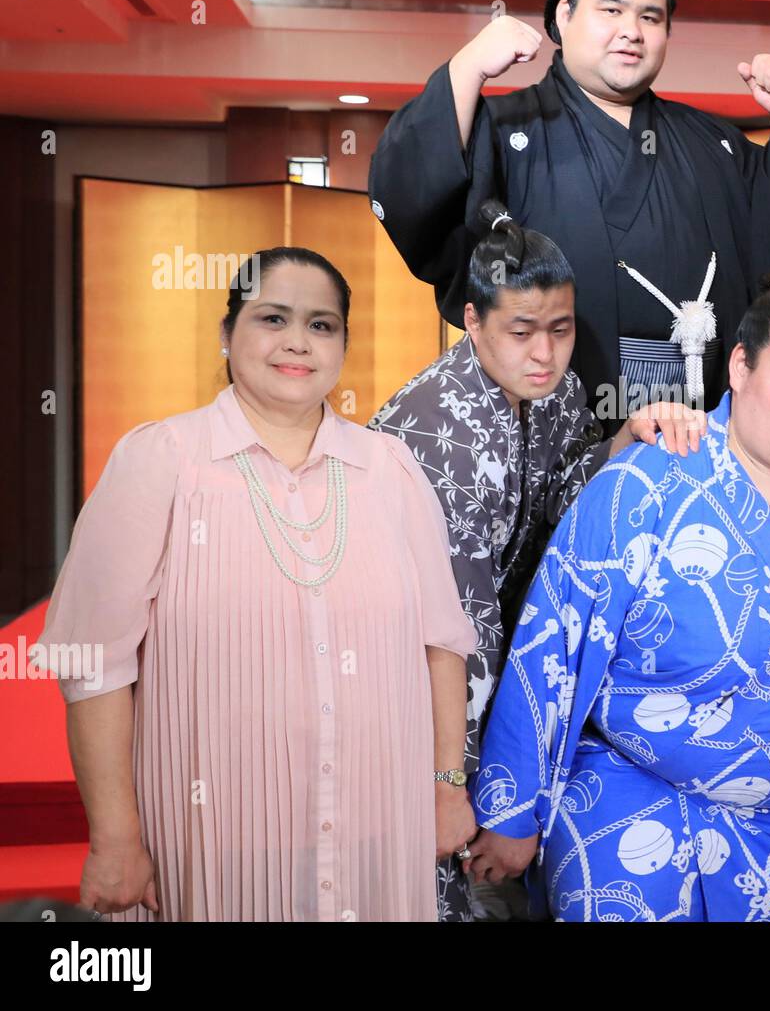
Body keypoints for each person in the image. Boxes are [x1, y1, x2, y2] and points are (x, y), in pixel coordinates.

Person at [462, 281, 770, 922]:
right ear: (741, 367)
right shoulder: (648, 480)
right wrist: (510, 809)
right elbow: (554, 646)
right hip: (657, 788)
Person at [39, 248, 478, 921]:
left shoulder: (389, 470)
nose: (298, 341)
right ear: (226, 333)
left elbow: (442, 642)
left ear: (343, 345)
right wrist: (116, 836)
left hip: (373, 832)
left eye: (322, 324)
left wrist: (448, 788)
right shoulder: (162, 461)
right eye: (273, 317)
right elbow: (94, 663)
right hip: (213, 843)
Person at [370, 200, 704, 920]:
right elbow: (461, 626)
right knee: (428, 884)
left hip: (481, 659)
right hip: (401, 678)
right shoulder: (439, 432)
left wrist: (622, 443)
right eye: (522, 332)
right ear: (472, 321)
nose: (545, 353)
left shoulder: (555, 393)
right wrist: (460, 786)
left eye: (559, 330)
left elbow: (559, 493)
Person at [368, 0, 770, 414]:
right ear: (564, 15)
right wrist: (467, 68)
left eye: (651, 19)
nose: (631, 31)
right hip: (552, 421)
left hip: (701, 418)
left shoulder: (711, 140)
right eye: (611, 10)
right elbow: (411, 198)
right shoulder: (507, 129)